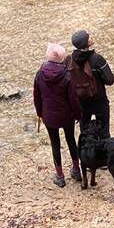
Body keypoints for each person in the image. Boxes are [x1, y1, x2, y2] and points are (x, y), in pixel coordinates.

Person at [33, 42, 82, 187]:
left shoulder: (40, 74)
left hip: (49, 116)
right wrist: (78, 115)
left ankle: (60, 176)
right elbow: (73, 98)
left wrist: (39, 113)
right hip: (67, 115)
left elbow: (36, 96)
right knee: (71, 140)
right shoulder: (67, 75)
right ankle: (77, 170)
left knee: (55, 143)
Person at [67, 29, 114, 138]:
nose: (91, 38)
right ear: (86, 43)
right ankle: (103, 148)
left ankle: (87, 149)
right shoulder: (97, 59)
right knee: (104, 134)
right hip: (99, 100)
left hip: (81, 103)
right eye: (88, 37)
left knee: (85, 134)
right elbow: (110, 80)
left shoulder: (69, 60)